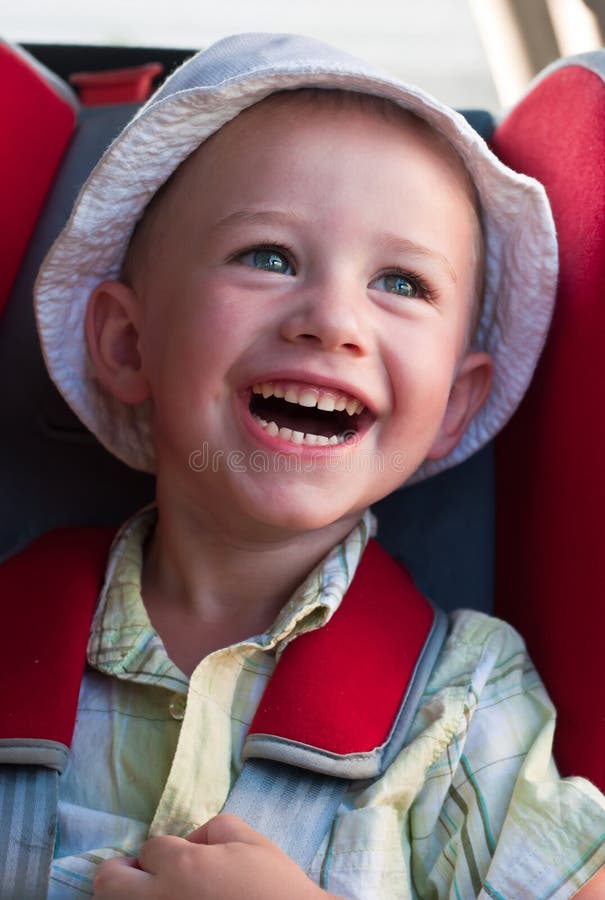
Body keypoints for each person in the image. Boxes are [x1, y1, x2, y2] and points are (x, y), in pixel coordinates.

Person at [33, 32, 605, 900]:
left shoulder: (464, 703)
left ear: (453, 404)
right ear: (127, 342)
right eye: (267, 256)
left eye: (403, 283)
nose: (332, 319)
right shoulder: (16, 622)